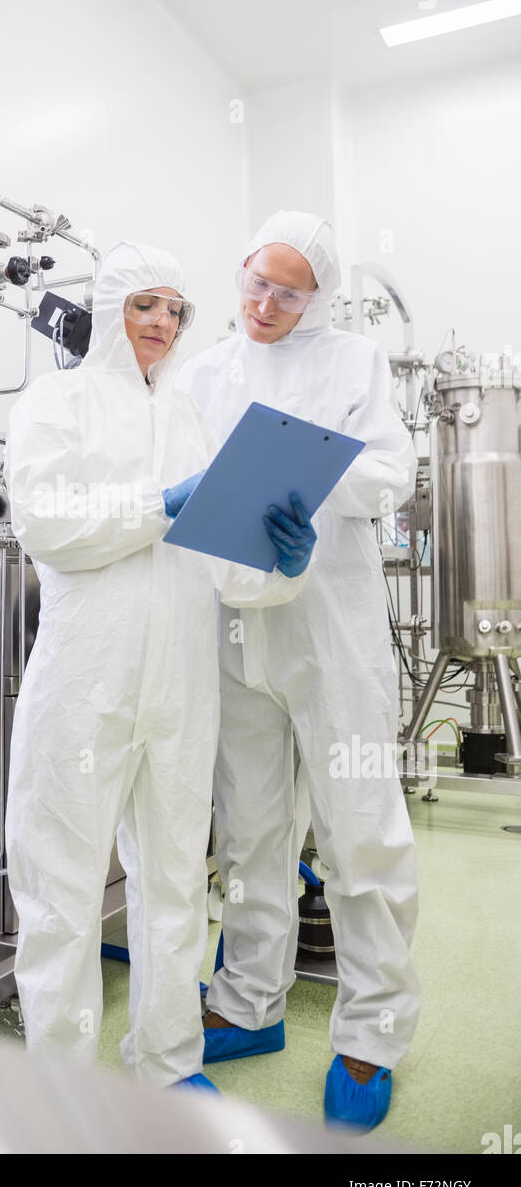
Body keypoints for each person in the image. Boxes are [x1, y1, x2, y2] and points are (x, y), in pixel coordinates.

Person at [4, 241, 315, 1091]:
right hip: (84, 677)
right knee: (62, 889)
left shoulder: (193, 420)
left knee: (177, 876)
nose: (163, 325)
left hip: (181, 679)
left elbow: (226, 563)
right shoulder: (56, 401)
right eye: (146, 305)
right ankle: (61, 1092)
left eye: (176, 310)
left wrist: (282, 563)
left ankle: (169, 1064)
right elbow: (48, 523)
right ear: (111, 311)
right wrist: (157, 504)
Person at [177, 210, 420, 1132]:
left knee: (359, 832)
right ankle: (248, 1000)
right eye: (253, 280)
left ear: (316, 301)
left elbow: (391, 467)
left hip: (331, 629)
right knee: (250, 829)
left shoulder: (354, 364)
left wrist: (311, 490)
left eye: (286, 290)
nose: (262, 302)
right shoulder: (203, 372)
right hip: (234, 622)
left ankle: (373, 1030)